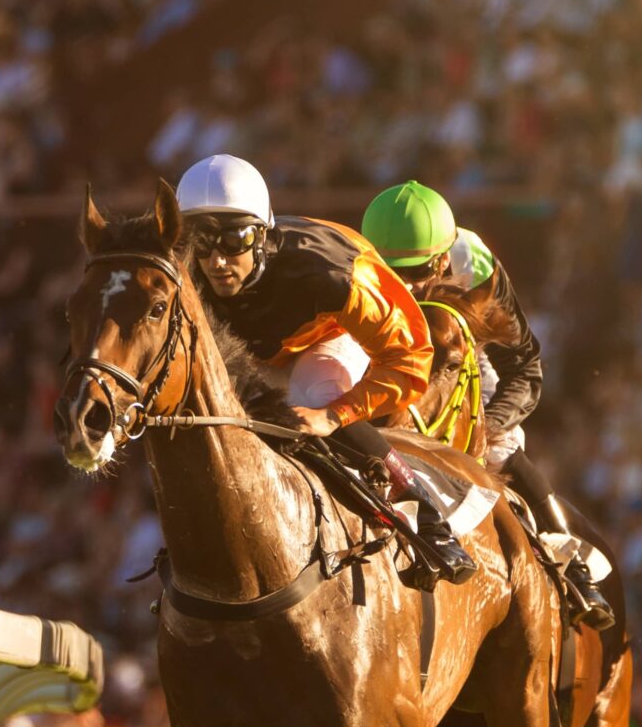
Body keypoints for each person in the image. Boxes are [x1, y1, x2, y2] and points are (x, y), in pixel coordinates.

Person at [174, 153, 477, 589]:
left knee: (308, 399)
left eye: (234, 240)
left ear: (261, 236)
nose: (217, 261)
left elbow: (410, 358)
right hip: (257, 350)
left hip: (331, 336)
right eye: (201, 242)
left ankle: (425, 513)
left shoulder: (330, 273)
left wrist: (332, 416)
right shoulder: (185, 271)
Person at [359, 179, 613, 628]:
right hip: (385, 358)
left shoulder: (473, 265)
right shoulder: (354, 264)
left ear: (442, 260)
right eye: (393, 272)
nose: (407, 287)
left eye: (417, 273)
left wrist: (486, 425)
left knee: (499, 446)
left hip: (461, 357)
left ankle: (572, 565)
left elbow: (526, 367)